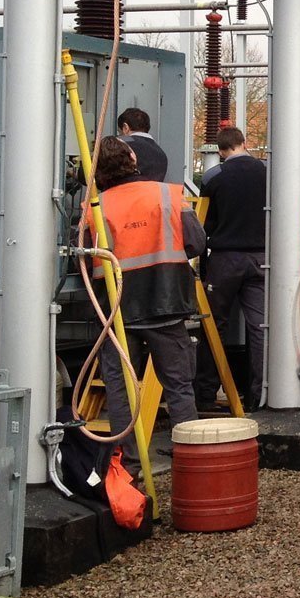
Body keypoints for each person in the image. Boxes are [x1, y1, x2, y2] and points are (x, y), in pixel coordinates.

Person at [86, 136, 204, 461]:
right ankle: (190, 460)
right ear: (133, 159)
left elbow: (82, 261)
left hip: (117, 312)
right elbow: (196, 243)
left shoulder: (94, 207)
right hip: (167, 305)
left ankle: (128, 465)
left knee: (120, 390)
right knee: (179, 386)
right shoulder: (168, 195)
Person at [195, 126, 268, 410]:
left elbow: (204, 223)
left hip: (225, 258)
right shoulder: (267, 172)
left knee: (213, 326)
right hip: (262, 259)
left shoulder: (214, 177)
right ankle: (259, 396)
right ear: (244, 143)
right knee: (260, 328)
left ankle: (205, 394)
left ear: (220, 150)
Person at [117, 107, 170, 183]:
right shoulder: (161, 154)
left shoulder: (122, 144)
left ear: (125, 128)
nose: (119, 135)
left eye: (119, 131)